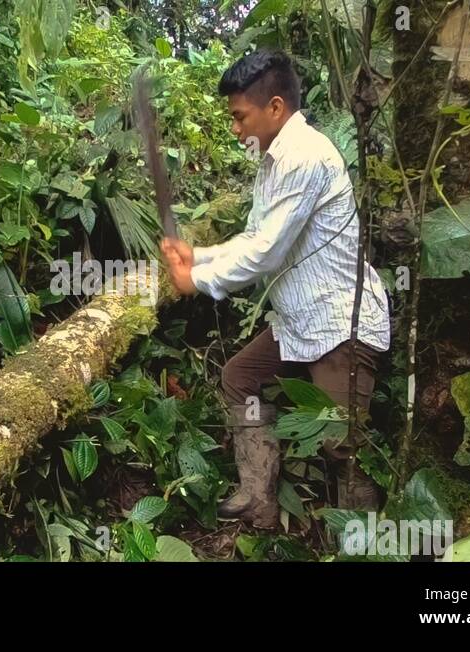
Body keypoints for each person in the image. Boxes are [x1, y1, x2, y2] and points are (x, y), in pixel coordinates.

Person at [160, 50, 391, 530]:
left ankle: (363, 542)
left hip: (338, 323)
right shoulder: (274, 160)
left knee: (340, 441)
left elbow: (264, 253)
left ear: (276, 107)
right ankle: (258, 498)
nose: (235, 128)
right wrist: (198, 256)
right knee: (239, 379)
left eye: (239, 117)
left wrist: (195, 281)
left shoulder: (303, 157)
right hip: (300, 320)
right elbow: (254, 238)